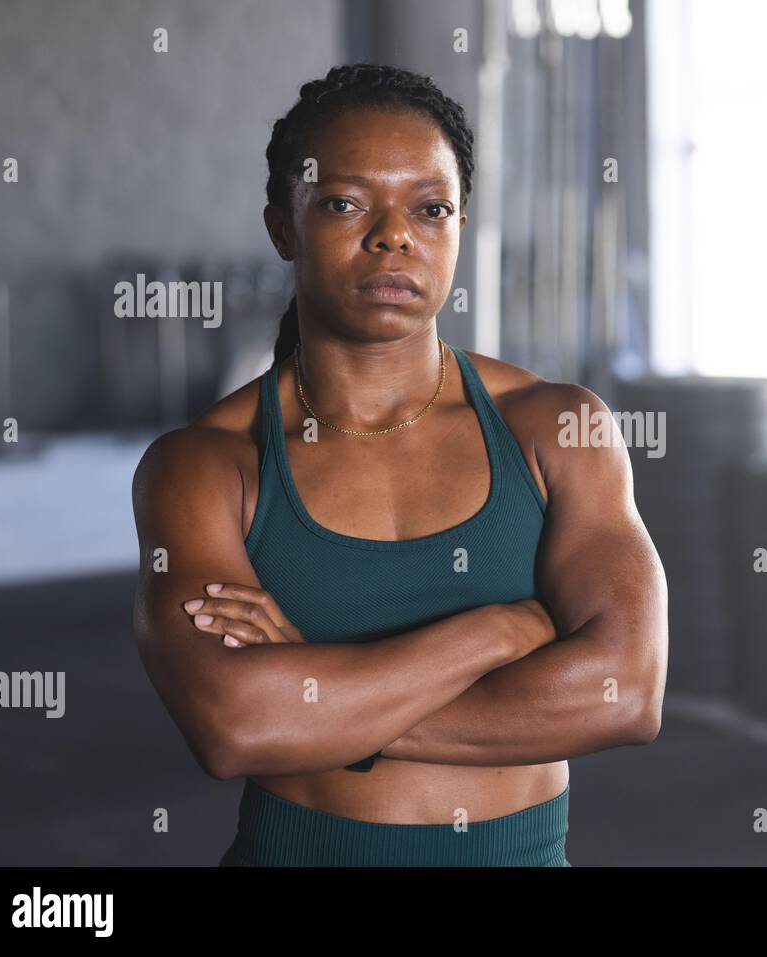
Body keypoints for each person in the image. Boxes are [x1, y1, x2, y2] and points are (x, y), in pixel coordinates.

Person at [130, 63, 667, 866]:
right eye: (345, 203)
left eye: (431, 207)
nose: (394, 235)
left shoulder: (559, 428)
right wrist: (499, 631)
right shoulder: (207, 464)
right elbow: (237, 726)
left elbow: (623, 693)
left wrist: (321, 696)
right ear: (284, 226)